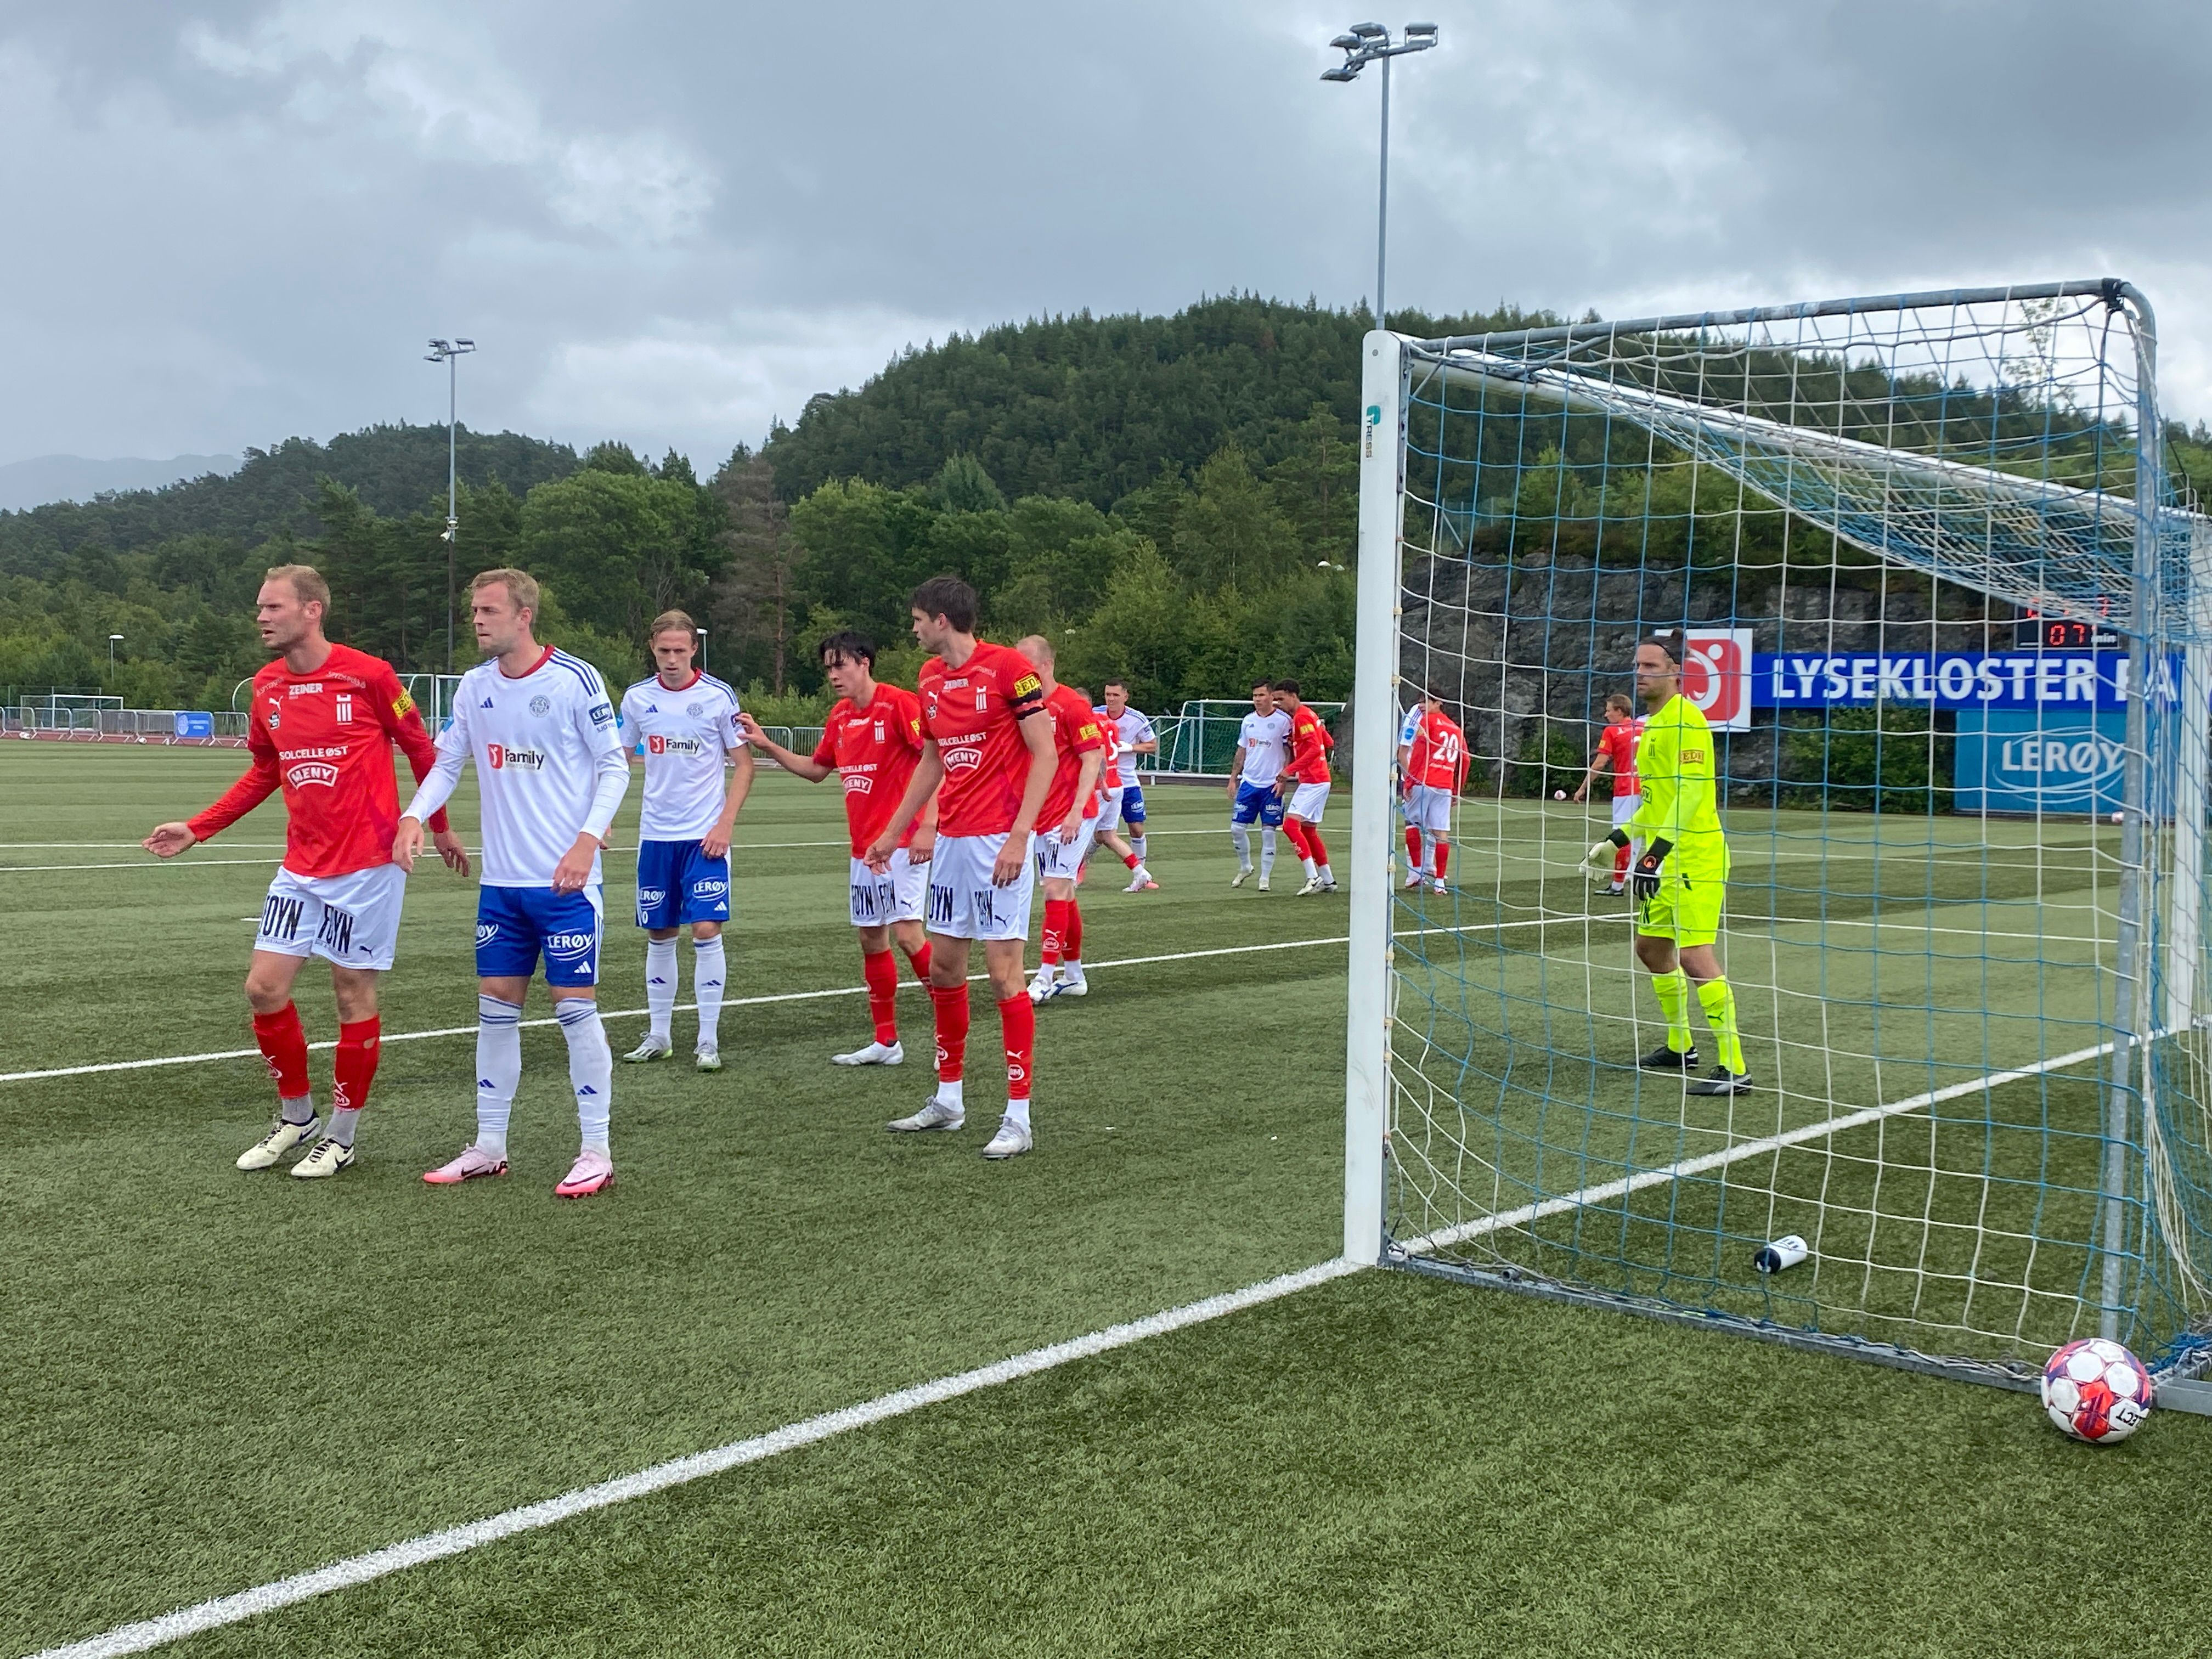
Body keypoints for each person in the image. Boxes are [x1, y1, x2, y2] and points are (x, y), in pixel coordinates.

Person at [142, 563, 470, 1178]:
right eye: (260, 609)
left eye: (272, 607)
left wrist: (437, 823)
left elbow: (424, 751)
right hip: (301, 867)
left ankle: (342, 1136)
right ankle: (298, 1118)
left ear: (312, 610)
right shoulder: (266, 687)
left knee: (352, 993)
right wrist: (201, 826)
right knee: (263, 988)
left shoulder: (369, 675)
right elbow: (267, 771)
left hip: (368, 867)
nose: (261, 617)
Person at [396, 568, 633, 1197]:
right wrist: (415, 816)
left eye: (489, 610)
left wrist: (586, 839)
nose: (477, 620)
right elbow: (448, 761)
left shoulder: (574, 679)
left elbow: (614, 766)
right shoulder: (474, 688)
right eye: (474, 610)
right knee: (495, 1013)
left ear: (524, 615)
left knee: (574, 1012)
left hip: (565, 886)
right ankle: (489, 1146)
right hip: (501, 887)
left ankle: (596, 1151)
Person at [865, 576, 1058, 1159]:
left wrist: (1020, 838)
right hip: (951, 843)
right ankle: (949, 1100)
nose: (914, 628)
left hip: (1000, 839)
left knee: (1004, 976)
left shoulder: (1008, 671)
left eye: (918, 619)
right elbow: (931, 760)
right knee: (947, 970)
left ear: (942, 620)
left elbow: (1045, 753)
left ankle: (1018, 1118)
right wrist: (895, 832)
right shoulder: (928, 679)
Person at [739, 631, 936, 1065]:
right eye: (828, 668)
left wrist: (930, 827)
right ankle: (886, 1042)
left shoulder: (899, 704)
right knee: (871, 938)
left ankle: (950, 1028)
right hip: (865, 849)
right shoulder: (840, 717)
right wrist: (767, 743)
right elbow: (816, 770)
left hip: (904, 842)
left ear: (864, 663)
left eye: (840, 665)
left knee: (907, 933)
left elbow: (933, 761)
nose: (833, 675)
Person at [1583, 636, 1751, 1097]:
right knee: (1651, 949)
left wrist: (1655, 854)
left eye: (1651, 665)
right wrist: (1617, 840)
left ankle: (1735, 1067)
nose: (1641, 673)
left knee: (1696, 955)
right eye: (1638, 665)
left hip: (1694, 853)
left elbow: (1693, 794)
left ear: (1675, 671)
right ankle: (1681, 1048)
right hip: (1666, 851)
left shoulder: (1687, 720)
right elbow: (1657, 803)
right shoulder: (1652, 724)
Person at [616, 611, 753, 1071]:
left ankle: (708, 1040)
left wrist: (725, 824)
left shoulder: (717, 697)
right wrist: (602, 819)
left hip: (704, 836)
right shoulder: (637, 699)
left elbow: (745, 765)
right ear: (652, 648)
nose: (672, 659)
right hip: (656, 835)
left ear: (695, 649)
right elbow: (620, 760)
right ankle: (659, 1035)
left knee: (706, 929)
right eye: (664, 650)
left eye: (681, 650)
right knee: (660, 933)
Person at [1017, 636, 1106, 1003]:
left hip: (1071, 815)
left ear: (1047, 664)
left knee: (1054, 888)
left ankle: (1043, 976)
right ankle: (1073, 975)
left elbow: (1092, 757)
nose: (1020, 674)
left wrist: (1075, 810)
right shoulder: (1024, 709)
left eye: (1026, 665)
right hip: (1041, 814)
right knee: (1064, 892)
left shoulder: (1070, 705)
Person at [1572, 692, 1644, 896]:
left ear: (1620, 711)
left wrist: (1584, 786)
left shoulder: (1612, 731)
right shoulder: (1644, 727)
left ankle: (1618, 885)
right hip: (1649, 788)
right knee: (1640, 835)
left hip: (1626, 789)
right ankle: (1631, 874)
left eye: (1609, 710)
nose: (1606, 715)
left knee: (1622, 836)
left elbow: (1601, 762)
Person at [1272, 679, 1338, 895]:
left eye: (1281, 699)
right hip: (1320, 779)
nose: (1278, 704)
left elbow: (1312, 751)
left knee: (1291, 827)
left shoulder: (1302, 717)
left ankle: (1312, 876)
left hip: (1314, 780)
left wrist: (1289, 770)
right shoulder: (1309, 715)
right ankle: (1328, 880)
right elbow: (1328, 743)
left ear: (1293, 695)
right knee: (1309, 831)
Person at [1402, 689, 1469, 895]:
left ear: (1438, 703)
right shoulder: (1456, 729)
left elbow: (1419, 756)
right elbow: (1465, 759)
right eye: (1420, 702)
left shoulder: (1427, 723)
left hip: (1423, 782)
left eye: (1426, 702)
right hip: (1445, 785)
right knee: (1441, 832)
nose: (1421, 706)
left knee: (1411, 823)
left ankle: (1416, 873)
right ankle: (1440, 882)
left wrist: (1408, 783)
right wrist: (1457, 789)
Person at [1226, 678, 1290, 890]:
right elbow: (1242, 750)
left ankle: (1265, 877)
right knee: (1236, 829)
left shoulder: (1284, 721)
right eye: (1255, 696)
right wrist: (1234, 777)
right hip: (1249, 783)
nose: (1257, 699)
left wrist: (1284, 778)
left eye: (1262, 695)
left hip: (1272, 785)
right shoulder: (1248, 721)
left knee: (1269, 831)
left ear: (1272, 696)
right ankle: (1246, 867)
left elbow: (1290, 752)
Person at [1096, 680, 1159, 891]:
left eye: (1115, 695)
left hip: (1128, 782)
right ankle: (1078, 868)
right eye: (1107, 695)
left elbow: (1152, 745)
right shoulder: (1096, 714)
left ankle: (1141, 873)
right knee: (1097, 833)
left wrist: (1129, 747)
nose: (1111, 699)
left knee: (1136, 828)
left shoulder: (1136, 718)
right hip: (1101, 782)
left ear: (1125, 696)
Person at [1395, 698, 1425, 883]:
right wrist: (1410, 780)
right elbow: (1402, 752)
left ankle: (1427, 868)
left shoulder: (1441, 719)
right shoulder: (1416, 714)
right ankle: (1414, 872)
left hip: (1435, 778)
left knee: (1436, 826)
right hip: (1415, 779)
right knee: (1412, 822)